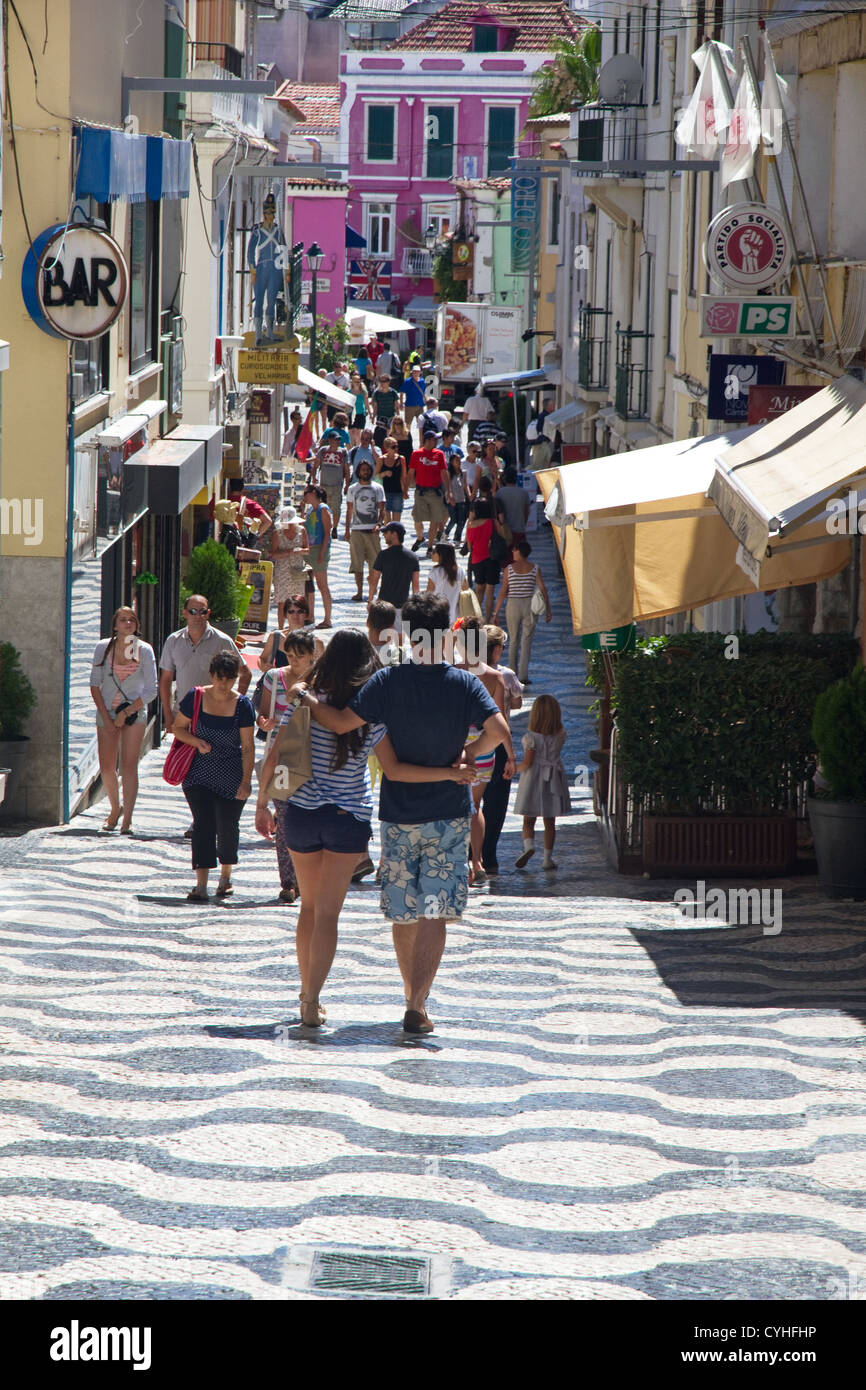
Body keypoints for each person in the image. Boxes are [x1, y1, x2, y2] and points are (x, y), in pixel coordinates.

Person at [296, 595, 514, 1034]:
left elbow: (339, 723)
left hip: (398, 815)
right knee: (434, 911)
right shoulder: (464, 683)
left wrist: (303, 695)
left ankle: (406, 994)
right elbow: (501, 732)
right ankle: (416, 1003)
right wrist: (467, 756)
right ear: (444, 631)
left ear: (409, 634)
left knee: (404, 913)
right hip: (450, 814)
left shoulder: (387, 682)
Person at [256, 628, 474, 1027]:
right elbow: (394, 769)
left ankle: (308, 997)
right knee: (327, 915)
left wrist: (261, 803)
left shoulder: (305, 703)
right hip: (347, 820)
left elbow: (274, 754)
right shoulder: (371, 713)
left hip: (302, 813)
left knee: (307, 906)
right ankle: (311, 1000)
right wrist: (450, 772)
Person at [171, 650, 256, 901]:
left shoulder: (242, 705)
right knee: (203, 825)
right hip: (199, 772)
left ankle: (226, 876)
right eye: (220, 678)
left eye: (229, 679)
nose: (224, 684)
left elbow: (248, 746)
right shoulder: (196, 697)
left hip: (232, 773)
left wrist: (246, 781)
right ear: (211, 675)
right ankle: (201, 884)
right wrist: (196, 741)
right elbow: (177, 728)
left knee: (227, 825)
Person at [256, 630, 317, 904]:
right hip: (280, 758)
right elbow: (264, 713)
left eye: (299, 656)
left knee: (308, 817)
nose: (294, 661)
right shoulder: (274, 676)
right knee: (284, 818)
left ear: (312, 656)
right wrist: (263, 722)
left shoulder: (319, 681)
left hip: (312, 757)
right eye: (290, 655)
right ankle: (289, 882)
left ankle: (307, 877)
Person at [90, 607, 158, 833]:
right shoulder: (103, 647)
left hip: (134, 712)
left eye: (132, 620)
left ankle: (127, 818)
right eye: (123, 620)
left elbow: (151, 690)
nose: (128, 623)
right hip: (106, 710)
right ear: (115, 625)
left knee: (129, 766)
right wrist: (108, 717)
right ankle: (114, 808)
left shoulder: (144, 650)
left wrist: (126, 713)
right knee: (107, 766)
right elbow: (94, 684)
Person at [456, 618, 507, 886]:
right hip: (486, 748)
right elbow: (501, 722)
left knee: (456, 807)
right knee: (475, 807)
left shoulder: (452, 671)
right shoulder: (494, 677)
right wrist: (510, 755)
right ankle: (477, 861)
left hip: (457, 746)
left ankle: (460, 863)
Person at [159, 596, 250, 737]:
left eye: (203, 611)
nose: (198, 616)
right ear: (185, 613)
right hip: (183, 716)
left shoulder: (222, 641)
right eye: (193, 611)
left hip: (214, 715)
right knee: (183, 759)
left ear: (208, 613)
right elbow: (166, 679)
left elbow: (245, 673)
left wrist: (235, 706)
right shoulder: (173, 640)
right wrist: (168, 715)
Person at [479, 625, 523, 873]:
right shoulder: (506, 675)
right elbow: (516, 703)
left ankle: (470, 854)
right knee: (495, 804)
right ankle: (489, 857)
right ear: (496, 651)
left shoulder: (467, 671)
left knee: (471, 803)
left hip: (472, 742)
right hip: (499, 744)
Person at [514, 694, 571, 871]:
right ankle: (547, 859)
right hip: (553, 777)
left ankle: (529, 846)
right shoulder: (561, 735)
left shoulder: (530, 738)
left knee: (528, 819)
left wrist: (514, 769)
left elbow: (528, 762)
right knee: (550, 821)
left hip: (533, 779)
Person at [492, 540, 552, 685]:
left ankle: (512, 673)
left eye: (514, 550)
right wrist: (548, 609)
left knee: (513, 640)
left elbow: (503, 591)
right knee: (526, 640)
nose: (512, 552)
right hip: (529, 605)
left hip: (513, 604)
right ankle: (523, 675)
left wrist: (496, 612)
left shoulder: (509, 568)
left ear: (519, 551)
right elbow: (543, 588)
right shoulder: (535, 568)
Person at [247, 192, 287, 346]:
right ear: (264, 214)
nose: (270, 216)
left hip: (275, 270)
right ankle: (258, 333)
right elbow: (250, 251)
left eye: (272, 213)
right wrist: (252, 269)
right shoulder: (258, 231)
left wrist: (287, 270)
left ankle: (269, 331)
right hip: (262, 268)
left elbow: (283, 249)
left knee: (271, 301)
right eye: (268, 213)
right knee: (259, 301)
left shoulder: (278, 231)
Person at [345, 459, 385, 602]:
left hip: (373, 531)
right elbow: (349, 510)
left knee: (375, 563)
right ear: (358, 471)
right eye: (363, 470)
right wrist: (347, 530)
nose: (366, 472)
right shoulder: (352, 488)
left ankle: (372, 592)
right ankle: (359, 591)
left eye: (368, 469)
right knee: (357, 563)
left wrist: (379, 524)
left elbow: (382, 509)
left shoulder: (378, 488)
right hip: (356, 531)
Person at [267, 504, 311, 631]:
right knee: (282, 602)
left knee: (298, 601)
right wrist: (290, 552)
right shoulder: (277, 533)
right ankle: (281, 629)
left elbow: (307, 549)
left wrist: (299, 551)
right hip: (283, 570)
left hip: (297, 569)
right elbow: (273, 553)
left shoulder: (301, 530)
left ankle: (298, 628)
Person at [409, 429, 452, 555]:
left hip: (435, 491)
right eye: (434, 439)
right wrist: (406, 489)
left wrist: (448, 491)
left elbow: (444, 472)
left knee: (435, 519)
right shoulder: (416, 454)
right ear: (428, 440)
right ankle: (420, 537)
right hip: (421, 491)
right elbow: (411, 472)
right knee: (416, 517)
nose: (436, 442)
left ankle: (429, 546)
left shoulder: (439, 454)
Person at [259, 595, 324, 673]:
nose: (295, 615)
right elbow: (262, 659)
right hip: (279, 682)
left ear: (306, 615)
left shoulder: (316, 642)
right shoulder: (275, 637)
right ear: (285, 615)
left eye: (300, 611)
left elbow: (323, 670)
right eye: (291, 612)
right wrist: (264, 666)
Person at [466, 497, 507, 622]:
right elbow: (503, 537)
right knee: (490, 591)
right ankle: (488, 619)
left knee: (479, 589)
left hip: (477, 560)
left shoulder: (470, 525)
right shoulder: (493, 522)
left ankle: (475, 618)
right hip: (492, 559)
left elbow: (469, 547)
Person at [368, 521, 420, 619]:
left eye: (386, 532)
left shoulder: (383, 555)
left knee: (381, 633)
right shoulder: (413, 557)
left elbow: (374, 579)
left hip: (383, 606)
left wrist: (370, 600)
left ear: (394, 534)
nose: (383, 535)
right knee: (399, 634)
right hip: (402, 606)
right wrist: (416, 606)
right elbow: (416, 585)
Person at [302, 483, 334, 629]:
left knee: (323, 586)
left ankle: (327, 619)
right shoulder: (310, 510)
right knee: (308, 584)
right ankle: (310, 615)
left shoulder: (323, 509)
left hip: (319, 550)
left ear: (313, 493)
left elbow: (328, 532)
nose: (304, 497)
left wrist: (322, 553)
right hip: (309, 551)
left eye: (306, 493)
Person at [311, 428, 350, 527]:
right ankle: (325, 525)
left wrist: (347, 484)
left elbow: (346, 469)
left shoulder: (343, 452)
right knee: (324, 506)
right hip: (324, 484)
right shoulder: (323, 450)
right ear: (330, 440)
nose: (338, 442)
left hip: (337, 485)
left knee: (336, 507)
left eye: (338, 440)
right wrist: (314, 477)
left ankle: (335, 528)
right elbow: (316, 465)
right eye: (336, 439)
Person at [426, 541, 469, 623]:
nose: (432, 553)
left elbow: (429, 594)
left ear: (441, 555)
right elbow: (466, 589)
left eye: (434, 552)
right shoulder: (460, 570)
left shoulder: (435, 571)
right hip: (455, 614)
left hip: (438, 613)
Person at [496, 465, 531, 555]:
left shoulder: (500, 493)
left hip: (505, 532)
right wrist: (522, 523)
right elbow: (527, 512)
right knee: (520, 559)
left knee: (506, 561)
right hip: (519, 530)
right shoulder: (524, 493)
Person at [374, 434, 409, 521]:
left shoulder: (401, 459)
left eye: (397, 446)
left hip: (398, 492)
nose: (396, 448)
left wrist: (405, 491)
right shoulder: (381, 459)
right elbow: (375, 476)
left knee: (396, 521)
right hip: (385, 493)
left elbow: (404, 476)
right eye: (394, 447)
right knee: (387, 520)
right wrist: (385, 473)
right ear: (387, 448)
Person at [443, 454, 469, 543]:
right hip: (452, 499)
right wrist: (450, 497)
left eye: (459, 460)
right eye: (456, 460)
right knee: (453, 520)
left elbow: (465, 485)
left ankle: (457, 538)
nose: (458, 462)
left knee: (461, 521)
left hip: (461, 499)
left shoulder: (463, 472)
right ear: (452, 462)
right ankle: (445, 533)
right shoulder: (448, 473)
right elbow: (448, 486)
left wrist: (469, 495)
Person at [371, 374, 401, 448]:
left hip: (391, 416)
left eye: (384, 381)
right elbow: (375, 406)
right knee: (380, 434)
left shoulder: (393, 392)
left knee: (390, 434)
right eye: (381, 381)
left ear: (388, 382)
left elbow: (396, 406)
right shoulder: (377, 393)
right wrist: (373, 417)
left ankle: (391, 448)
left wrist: (398, 416)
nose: (382, 383)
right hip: (381, 416)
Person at [401, 364, 427, 430]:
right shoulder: (407, 381)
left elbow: (424, 392)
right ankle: (408, 438)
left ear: (420, 373)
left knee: (421, 424)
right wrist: (401, 403)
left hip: (420, 406)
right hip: (410, 406)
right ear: (411, 373)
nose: (416, 373)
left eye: (417, 372)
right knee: (408, 424)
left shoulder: (422, 381)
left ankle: (421, 438)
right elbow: (401, 392)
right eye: (414, 372)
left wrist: (426, 401)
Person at [348, 372, 370, 446]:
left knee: (357, 432)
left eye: (358, 381)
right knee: (351, 432)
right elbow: (346, 404)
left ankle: (357, 447)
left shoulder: (363, 392)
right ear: (352, 382)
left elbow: (366, 403)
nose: (357, 383)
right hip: (351, 413)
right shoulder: (348, 392)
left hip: (360, 413)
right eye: (355, 382)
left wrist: (370, 412)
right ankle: (351, 448)